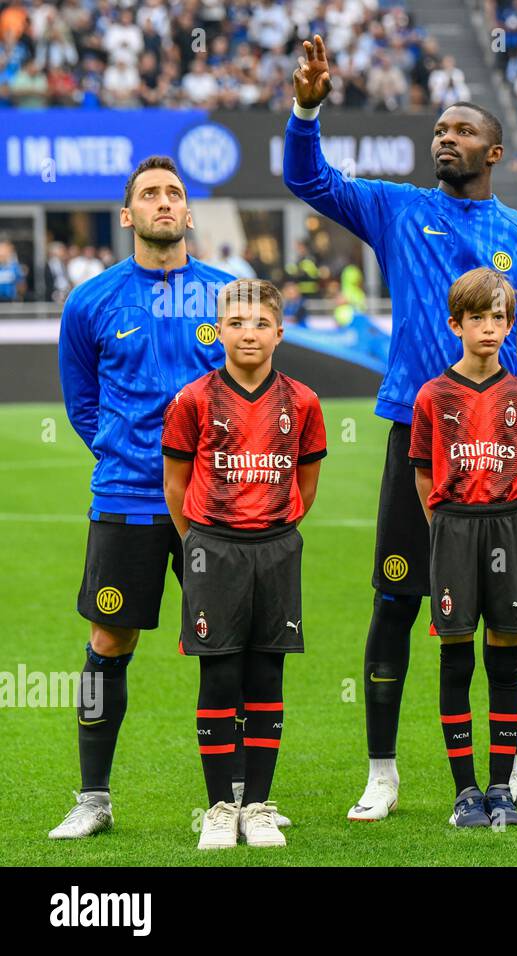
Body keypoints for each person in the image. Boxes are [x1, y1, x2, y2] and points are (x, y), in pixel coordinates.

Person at [285, 35, 517, 820]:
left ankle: (504, 772)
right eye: (439, 130)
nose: (445, 139)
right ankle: (383, 771)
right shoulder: (397, 208)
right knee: (398, 601)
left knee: (501, 612)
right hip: (416, 440)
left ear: (495, 149)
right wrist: (308, 106)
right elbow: (306, 176)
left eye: (461, 131)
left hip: (504, 450)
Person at [50, 156, 239, 840]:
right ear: (127, 215)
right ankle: (92, 799)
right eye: (151, 194)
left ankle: (232, 803)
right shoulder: (91, 300)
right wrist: (121, 453)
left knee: (223, 645)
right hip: (126, 499)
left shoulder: (228, 298)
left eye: (176, 193)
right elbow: (82, 402)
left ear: (189, 213)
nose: (165, 202)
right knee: (109, 638)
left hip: (214, 508)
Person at [161, 279, 327, 848]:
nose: (248, 333)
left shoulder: (303, 401)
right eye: (236, 323)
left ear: (279, 332)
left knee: (266, 673)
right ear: (219, 331)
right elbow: (176, 484)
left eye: (260, 323)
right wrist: (202, 542)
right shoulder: (193, 400)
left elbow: (306, 481)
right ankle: (218, 808)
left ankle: (256, 805)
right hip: (213, 548)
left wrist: (276, 529)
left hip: (276, 547)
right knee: (220, 673)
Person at [407, 267, 517, 828]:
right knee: (456, 648)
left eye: (500, 318)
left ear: (511, 326)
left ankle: (500, 786)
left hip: (508, 526)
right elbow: (423, 473)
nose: (490, 328)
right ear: (455, 324)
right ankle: (465, 790)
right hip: (455, 527)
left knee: (508, 647)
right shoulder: (433, 395)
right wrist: (445, 524)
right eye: (478, 318)